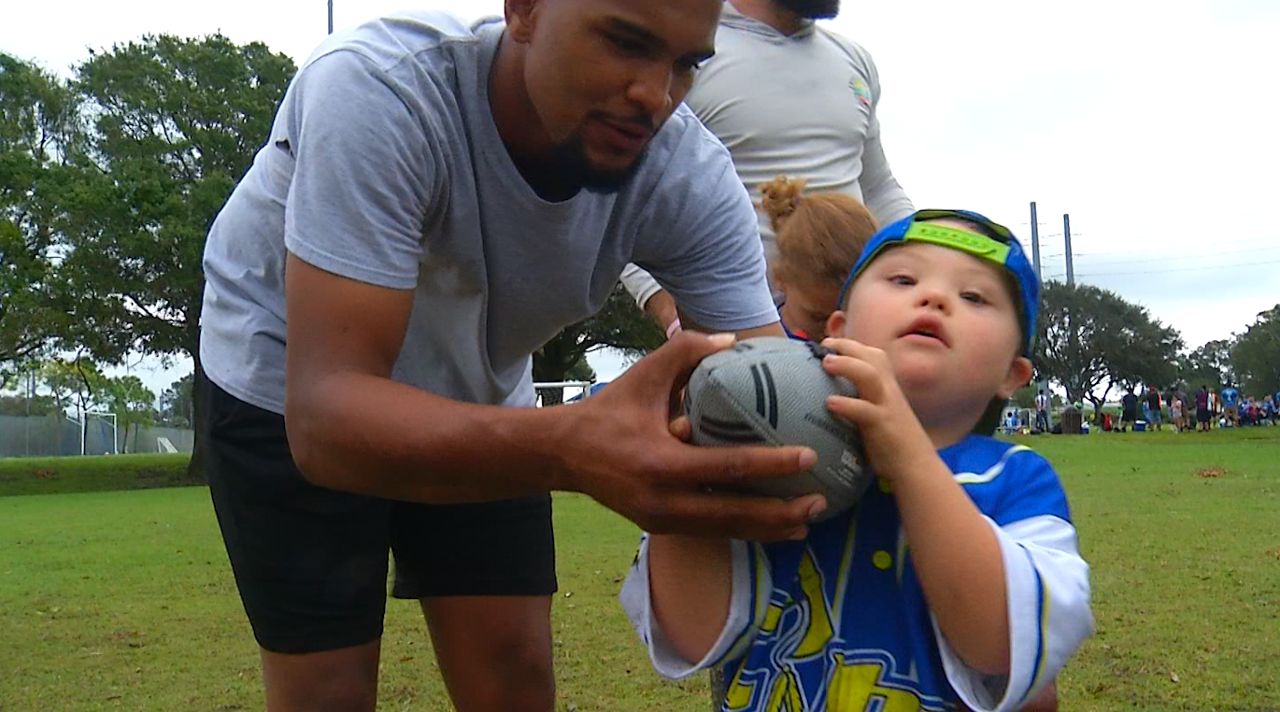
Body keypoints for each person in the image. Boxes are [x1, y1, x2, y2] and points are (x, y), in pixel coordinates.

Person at [197, 2, 832, 710]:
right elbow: (324, 420)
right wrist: (570, 447)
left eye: (687, 63)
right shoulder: (381, 89)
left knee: (514, 676)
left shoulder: (685, 173)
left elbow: (776, 392)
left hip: (481, 391)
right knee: (328, 689)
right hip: (286, 377)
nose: (655, 96)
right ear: (524, 9)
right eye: (625, 42)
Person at [622, 209, 1093, 710]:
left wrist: (907, 454)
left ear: (1012, 374)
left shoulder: (1017, 480)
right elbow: (695, 634)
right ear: (838, 328)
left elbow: (1000, 644)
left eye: (974, 296)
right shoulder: (769, 460)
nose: (933, 297)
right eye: (903, 278)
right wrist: (692, 476)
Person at [620, 0, 913, 335]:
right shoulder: (692, 51)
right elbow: (625, 196)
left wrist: (938, 252)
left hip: (853, 326)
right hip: (736, 331)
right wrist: (669, 314)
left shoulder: (853, 59)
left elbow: (879, 188)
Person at [758, 175, 878, 341]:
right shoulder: (761, 340)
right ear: (780, 278)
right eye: (818, 318)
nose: (835, 330)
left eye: (851, 315)